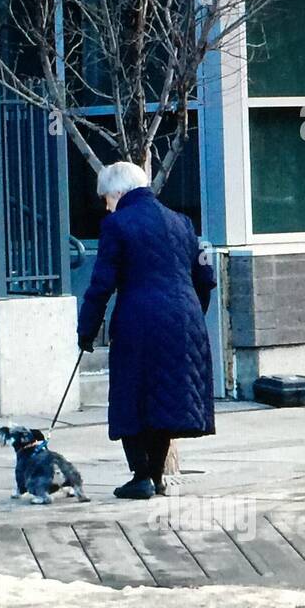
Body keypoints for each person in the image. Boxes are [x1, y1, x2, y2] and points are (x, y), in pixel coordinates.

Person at [76, 160, 216, 499]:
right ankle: (155, 476)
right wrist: (193, 311)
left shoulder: (117, 224)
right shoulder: (182, 221)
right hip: (185, 320)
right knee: (165, 395)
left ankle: (140, 474)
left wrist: (87, 330)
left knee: (132, 395)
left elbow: (101, 284)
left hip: (139, 319)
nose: (106, 206)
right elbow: (206, 277)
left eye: (106, 198)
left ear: (118, 192)